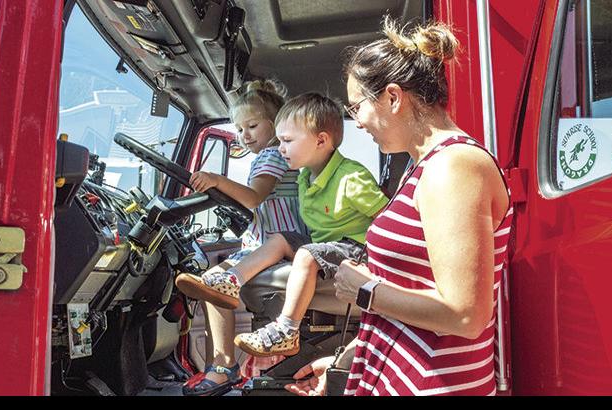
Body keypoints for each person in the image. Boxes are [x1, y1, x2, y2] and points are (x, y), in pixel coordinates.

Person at [286, 18, 513, 396]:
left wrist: (365, 290)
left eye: (356, 107)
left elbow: (464, 315)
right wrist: (353, 358)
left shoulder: (452, 166)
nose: (356, 123)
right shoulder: (422, 167)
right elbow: (415, 295)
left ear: (392, 97)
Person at [178, 92, 389, 358]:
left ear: (321, 140)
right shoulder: (304, 179)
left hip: (356, 248)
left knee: (306, 254)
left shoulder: (351, 177)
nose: (280, 148)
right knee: (279, 239)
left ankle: (287, 330)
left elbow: (386, 216)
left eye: (287, 141)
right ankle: (230, 280)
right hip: (326, 246)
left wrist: (380, 264)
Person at [175, 79, 306, 396]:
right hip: (267, 240)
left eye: (252, 126)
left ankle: (222, 368)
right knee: (211, 282)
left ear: (274, 125)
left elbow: (255, 197)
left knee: (213, 281)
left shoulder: (273, 155)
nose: (245, 135)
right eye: (239, 129)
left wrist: (217, 180)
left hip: (279, 242)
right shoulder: (268, 156)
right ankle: (218, 367)